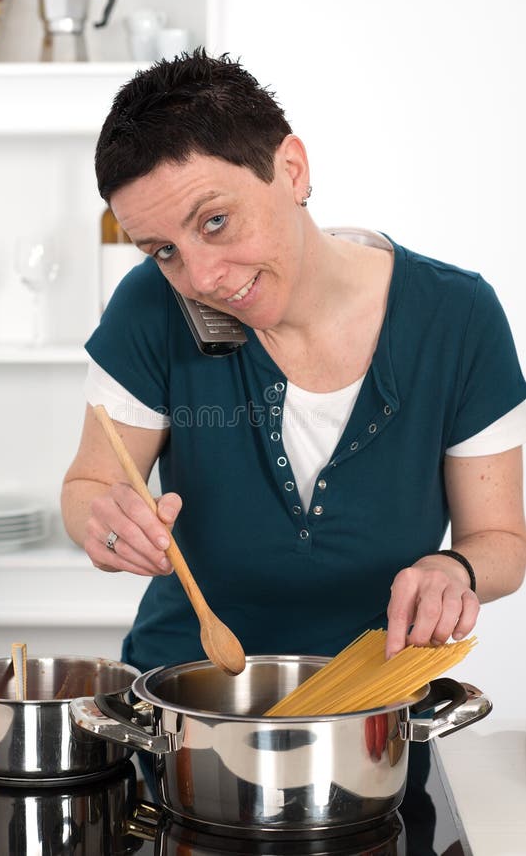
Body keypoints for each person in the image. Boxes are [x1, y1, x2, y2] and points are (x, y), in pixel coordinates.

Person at [61, 50, 526, 675]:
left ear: (292, 170)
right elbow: (86, 487)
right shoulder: (150, 304)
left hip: (368, 704)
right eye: (163, 249)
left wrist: (455, 568)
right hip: (185, 698)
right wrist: (106, 519)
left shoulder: (457, 316)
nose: (200, 277)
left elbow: (501, 541)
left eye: (216, 221)